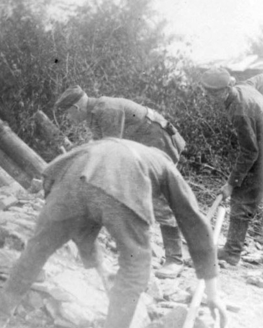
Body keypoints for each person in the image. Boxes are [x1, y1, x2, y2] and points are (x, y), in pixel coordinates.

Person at [0, 138, 227, 328]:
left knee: (37, 249)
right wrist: (213, 293)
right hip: (117, 189)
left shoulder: (109, 145)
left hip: (72, 182)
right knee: (136, 262)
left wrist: (97, 264)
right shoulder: (164, 166)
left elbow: (81, 213)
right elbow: (194, 221)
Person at [52, 85, 187, 279]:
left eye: (67, 115)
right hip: (142, 147)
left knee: (156, 197)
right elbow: (101, 148)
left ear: (75, 108)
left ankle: (175, 260)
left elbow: (112, 153)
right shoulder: (94, 113)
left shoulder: (107, 110)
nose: (68, 120)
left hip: (158, 144)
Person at [200, 67, 263, 265]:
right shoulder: (244, 86)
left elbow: (249, 152)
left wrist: (230, 184)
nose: (210, 96)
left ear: (226, 89)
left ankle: (232, 253)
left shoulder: (240, 111)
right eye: (208, 91)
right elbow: (260, 78)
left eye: (213, 92)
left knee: (242, 198)